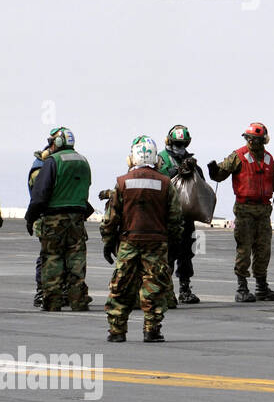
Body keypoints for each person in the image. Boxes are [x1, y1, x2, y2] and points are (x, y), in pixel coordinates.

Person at [101, 136, 183, 343]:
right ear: (155, 158)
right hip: (156, 243)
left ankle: (117, 330)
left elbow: (111, 217)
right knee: (154, 286)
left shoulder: (122, 183)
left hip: (129, 242)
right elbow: (175, 217)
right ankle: (151, 329)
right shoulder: (165, 183)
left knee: (121, 286)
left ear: (132, 157)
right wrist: (173, 241)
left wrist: (108, 242)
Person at [207, 122, 274, 303]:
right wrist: (213, 169)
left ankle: (261, 287)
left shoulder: (269, 160)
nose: (251, 142)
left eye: (255, 139)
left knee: (263, 249)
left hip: (264, 212)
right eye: (249, 139)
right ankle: (242, 287)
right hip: (244, 211)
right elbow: (220, 175)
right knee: (244, 248)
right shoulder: (238, 157)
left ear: (264, 140)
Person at [25, 127, 94, 312]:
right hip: (77, 219)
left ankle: (52, 302)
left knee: (52, 259)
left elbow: (40, 194)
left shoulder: (52, 161)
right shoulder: (83, 161)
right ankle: (78, 300)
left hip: (54, 219)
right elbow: (85, 189)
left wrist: (30, 217)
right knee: (76, 259)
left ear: (57, 142)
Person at [156, 124, 205, 304]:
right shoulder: (161, 158)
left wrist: (194, 169)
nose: (180, 147)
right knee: (168, 254)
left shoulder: (190, 160)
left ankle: (185, 288)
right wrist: (176, 170)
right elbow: (157, 177)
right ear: (169, 141)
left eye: (183, 144)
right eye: (177, 144)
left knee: (186, 254)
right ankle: (166, 290)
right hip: (167, 216)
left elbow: (201, 183)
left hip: (186, 215)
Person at [27, 145, 50, 307]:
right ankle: (41, 291)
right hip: (44, 220)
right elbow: (38, 198)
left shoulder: (46, 167)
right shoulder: (40, 171)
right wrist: (31, 218)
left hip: (49, 219)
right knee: (46, 256)